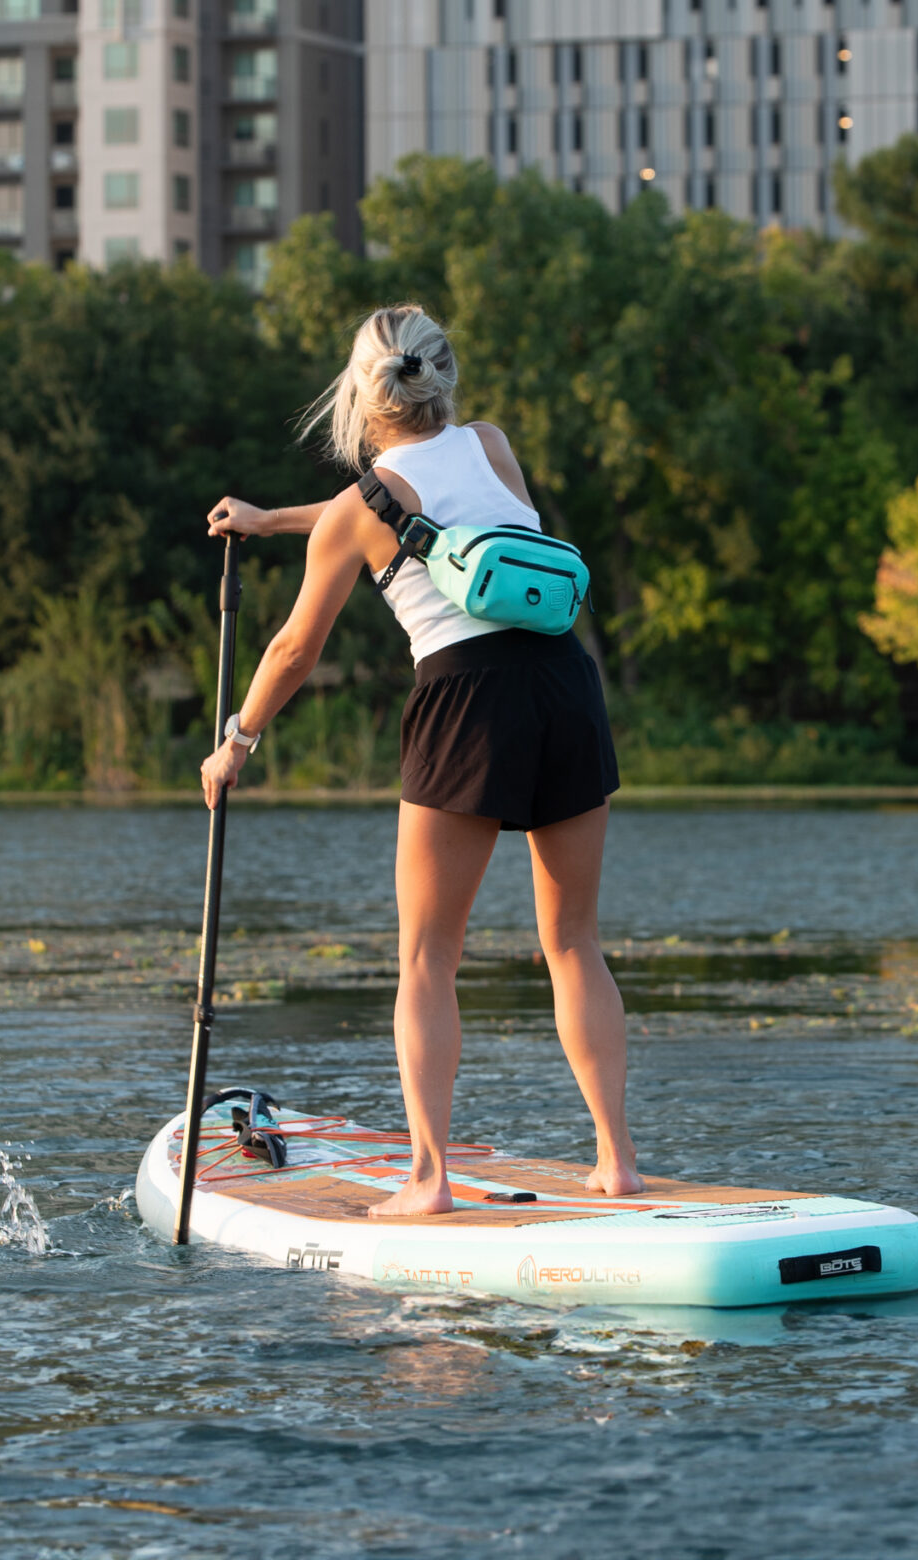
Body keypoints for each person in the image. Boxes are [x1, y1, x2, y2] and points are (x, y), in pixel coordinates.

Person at [200, 304, 639, 1217]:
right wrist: (271, 518)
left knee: (428, 959)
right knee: (572, 943)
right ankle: (616, 1162)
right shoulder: (492, 446)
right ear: (439, 375)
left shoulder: (362, 508)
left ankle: (430, 1182)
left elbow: (291, 650)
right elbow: (382, 511)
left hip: (466, 700)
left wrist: (234, 744)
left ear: (362, 394)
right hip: (565, 685)